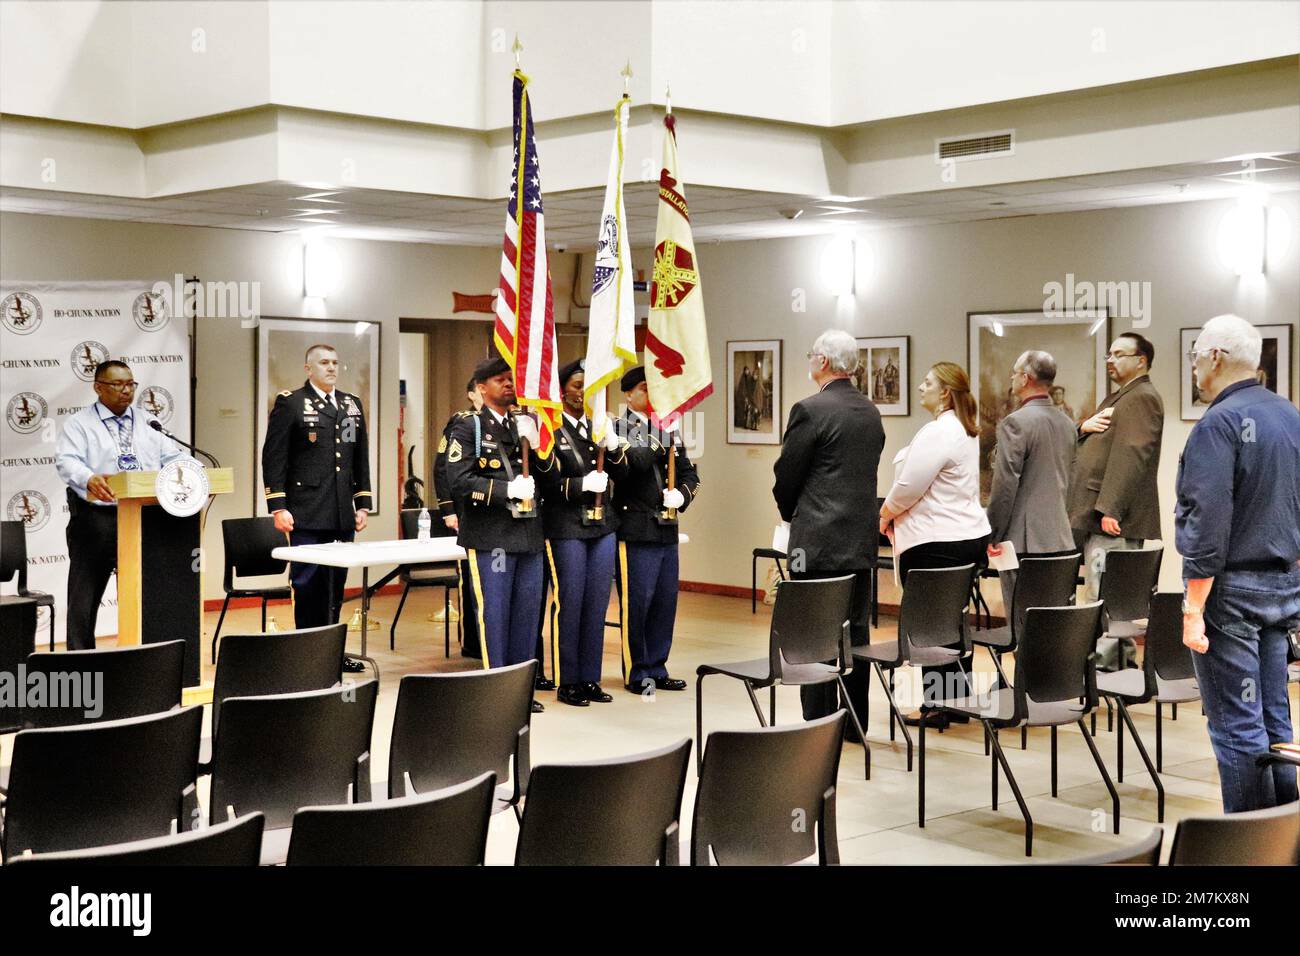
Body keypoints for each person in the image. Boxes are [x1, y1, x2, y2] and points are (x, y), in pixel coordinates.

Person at [1176, 314, 1300, 812]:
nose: (1193, 367)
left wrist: (1192, 607)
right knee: (1275, 722)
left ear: (1216, 358)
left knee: (1236, 728)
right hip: (1283, 589)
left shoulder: (1218, 425)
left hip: (1230, 597)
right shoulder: (1289, 416)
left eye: (1195, 356)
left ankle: (1250, 850)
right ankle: (1283, 838)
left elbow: (1208, 525)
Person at [772, 329, 885, 723]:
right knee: (855, 632)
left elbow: (787, 475)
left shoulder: (810, 410)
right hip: (859, 540)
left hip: (816, 543)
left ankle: (818, 722)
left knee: (814, 633)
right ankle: (855, 721)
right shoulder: (870, 412)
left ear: (822, 361)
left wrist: (789, 515)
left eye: (810, 356)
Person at [879, 362, 991, 727]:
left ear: (945, 392)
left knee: (931, 625)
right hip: (965, 538)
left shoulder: (939, 430)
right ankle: (955, 702)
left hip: (936, 541)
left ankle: (938, 705)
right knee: (952, 622)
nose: (920, 387)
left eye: (927, 382)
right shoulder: (964, 428)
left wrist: (884, 514)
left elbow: (909, 487)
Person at [444, 357, 556, 712]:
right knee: (496, 615)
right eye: (499, 380)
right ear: (481, 388)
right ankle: (496, 692)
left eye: (511, 379)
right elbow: (459, 480)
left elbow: (548, 477)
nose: (508, 384)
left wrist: (539, 446)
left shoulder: (526, 424)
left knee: (527, 617)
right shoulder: (468, 428)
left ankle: (520, 690)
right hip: (491, 535)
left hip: (529, 533)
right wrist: (505, 490)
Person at [55, 360, 187, 650]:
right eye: (118, 385)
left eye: (130, 384)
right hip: (96, 520)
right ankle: (80, 661)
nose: (126, 390)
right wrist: (88, 478)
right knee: (84, 596)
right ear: (98, 387)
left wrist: (192, 471)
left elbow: (173, 457)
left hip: (144, 518)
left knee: (147, 592)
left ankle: (146, 657)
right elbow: (67, 460)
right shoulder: (80, 424)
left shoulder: (147, 421)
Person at [261, 344, 372, 672]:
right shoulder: (291, 403)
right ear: (308, 368)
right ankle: (307, 655)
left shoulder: (352, 404)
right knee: (308, 584)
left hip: (340, 513)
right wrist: (277, 505)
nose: (331, 368)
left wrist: (362, 502)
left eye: (335, 362)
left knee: (335, 584)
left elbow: (359, 457)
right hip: (306, 511)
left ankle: (332, 653)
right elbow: (274, 457)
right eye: (324, 363)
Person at [537, 359, 624, 706]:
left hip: (602, 525)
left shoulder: (598, 426)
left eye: (587, 387)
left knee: (597, 604)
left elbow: (626, 474)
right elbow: (546, 483)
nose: (582, 393)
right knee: (570, 602)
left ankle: (590, 677)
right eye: (576, 386)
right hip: (566, 525)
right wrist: (579, 484)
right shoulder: (551, 429)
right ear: (562, 391)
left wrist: (614, 448)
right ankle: (566, 679)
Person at [612, 366, 700, 694]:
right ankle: (638, 671)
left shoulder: (667, 429)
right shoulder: (617, 428)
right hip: (635, 527)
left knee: (665, 601)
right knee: (638, 603)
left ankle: (658, 666)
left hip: (666, 526)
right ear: (629, 394)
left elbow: (691, 473)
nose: (653, 397)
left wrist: (682, 495)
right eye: (646, 389)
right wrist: (660, 435)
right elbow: (632, 464)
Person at [1066, 332, 1164, 603]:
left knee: (1108, 600)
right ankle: (1100, 647)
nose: (1111, 360)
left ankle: (1107, 648)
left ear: (1141, 361)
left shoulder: (1142, 397)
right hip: (1100, 516)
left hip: (1112, 520)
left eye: (1119, 354)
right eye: (1109, 354)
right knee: (1100, 596)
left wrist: (1111, 508)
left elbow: (1132, 454)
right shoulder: (1122, 397)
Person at [985, 350, 1077, 615]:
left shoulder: (1016, 423)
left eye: (1015, 373)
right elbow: (1071, 479)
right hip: (1061, 540)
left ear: (1025, 379)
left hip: (1023, 543)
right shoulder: (1067, 423)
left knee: (1023, 625)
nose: (1012, 378)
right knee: (1054, 625)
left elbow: (1005, 486)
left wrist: (993, 533)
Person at [433, 374, 483, 660]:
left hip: (496, 510)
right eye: (478, 390)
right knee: (470, 578)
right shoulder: (461, 422)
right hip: (466, 508)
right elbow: (443, 468)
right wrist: (448, 509)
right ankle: (472, 641)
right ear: (472, 394)